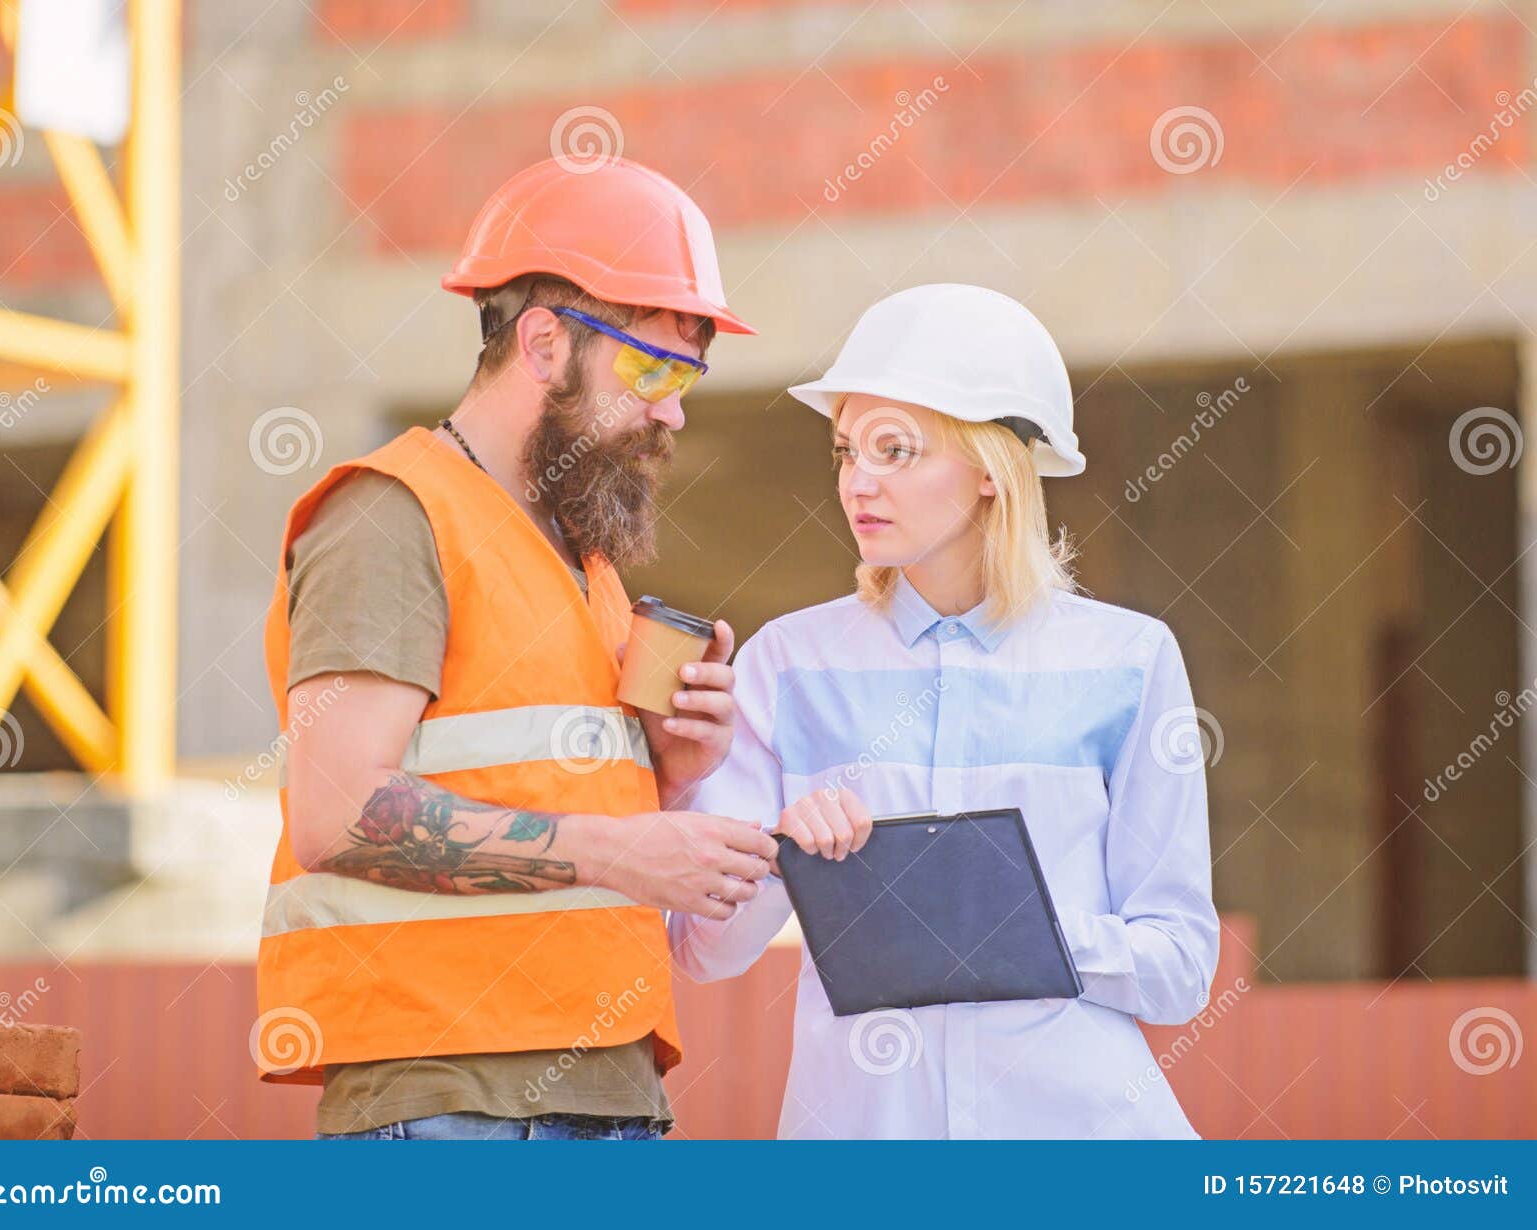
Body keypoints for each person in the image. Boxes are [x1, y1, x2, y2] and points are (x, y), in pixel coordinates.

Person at [256, 157, 778, 1141]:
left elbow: (542, 798)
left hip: (606, 1098)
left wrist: (669, 773)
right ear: (543, 342)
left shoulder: (584, 558)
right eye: (653, 370)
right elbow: (336, 811)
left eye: (687, 377)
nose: (672, 410)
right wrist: (620, 848)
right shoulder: (390, 516)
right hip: (452, 1105)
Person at [669, 284, 1220, 1139]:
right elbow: (702, 954)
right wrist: (782, 859)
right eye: (847, 452)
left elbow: (1181, 968)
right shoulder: (786, 664)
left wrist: (1013, 929)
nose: (858, 482)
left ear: (992, 470)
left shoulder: (1129, 661)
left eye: (895, 450)